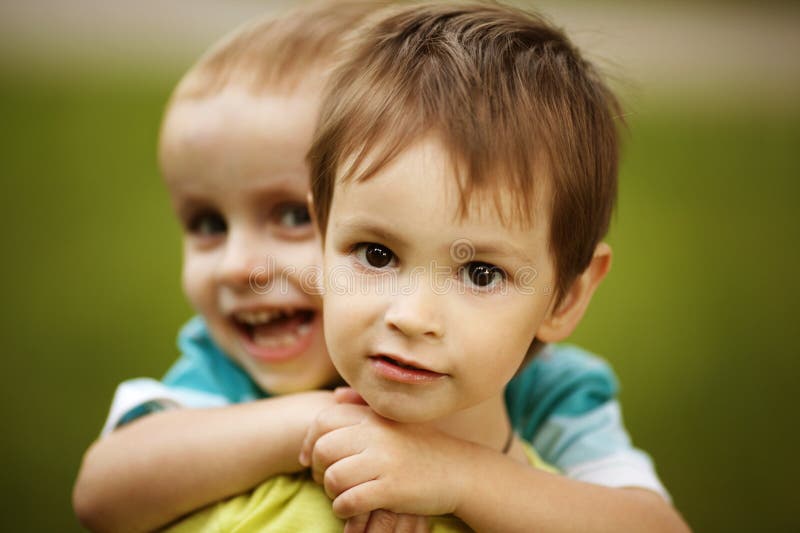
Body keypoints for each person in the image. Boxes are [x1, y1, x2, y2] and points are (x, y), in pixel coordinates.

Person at [72, 2, 678, 532]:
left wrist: (458, 475)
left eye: (481, 273)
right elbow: (102, 494)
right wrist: (317, 424)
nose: (413, 317)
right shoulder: (230, 377)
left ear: (564, 299)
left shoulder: (543, 390)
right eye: (378, 255)